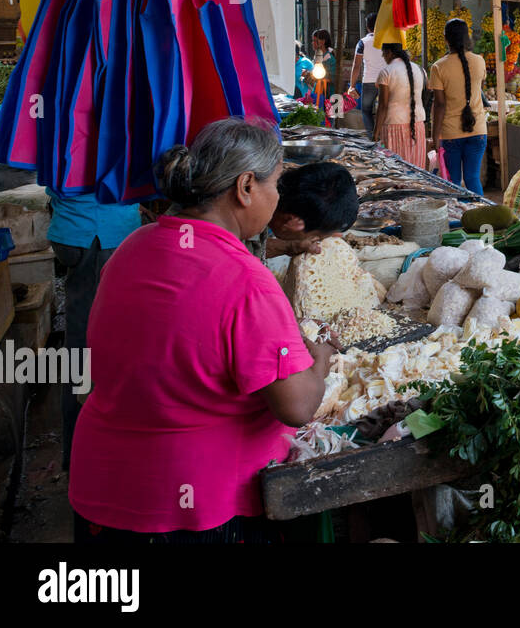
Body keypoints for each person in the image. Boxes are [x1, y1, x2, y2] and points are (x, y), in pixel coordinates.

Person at [69, 119, 335, 543]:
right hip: (190, 508)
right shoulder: (244, 279)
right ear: (246, 186)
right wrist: (319, 360)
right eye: (277, 183)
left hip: (105, 488)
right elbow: (297, 406)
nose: (279, 197)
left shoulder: (131, 249)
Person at [47, 190, 142, 469]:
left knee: (81, 346)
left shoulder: (58, 142)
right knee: (96, 350)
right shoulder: (121, 142)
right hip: (104, 235)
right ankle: (87, 458)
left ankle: (80, 453)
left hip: (71, 231)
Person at [429, 18, 488, 195]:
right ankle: (481, 216)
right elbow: (478, 90)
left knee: (453, 181)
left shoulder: (438, 67)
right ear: (466, 37)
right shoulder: (479, 61)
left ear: (446, 38)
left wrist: (434, 135)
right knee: (472, 178)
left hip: (450, 133)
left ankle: (460, 219)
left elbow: (439, 105)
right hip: (478, 130)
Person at [374, 42, 427, 169]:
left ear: (389, 53)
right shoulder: (420, 69)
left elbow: (382, 106)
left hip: (393, 127)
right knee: (416, 169)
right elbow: (426, 93)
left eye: (383, 53)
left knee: (396, 171)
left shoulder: (386, 72)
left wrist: (375, 133)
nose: (383, 57)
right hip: (418, 125)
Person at [349, 13, 386, 137]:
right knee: (385, 109)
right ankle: (384, 136)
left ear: (367, 27)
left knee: (366, 110)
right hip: (386, 81)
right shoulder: (387, 41)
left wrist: (352, 86)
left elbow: (356, 66)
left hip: (369, 81)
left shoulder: (362, 43)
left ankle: (372, 136)